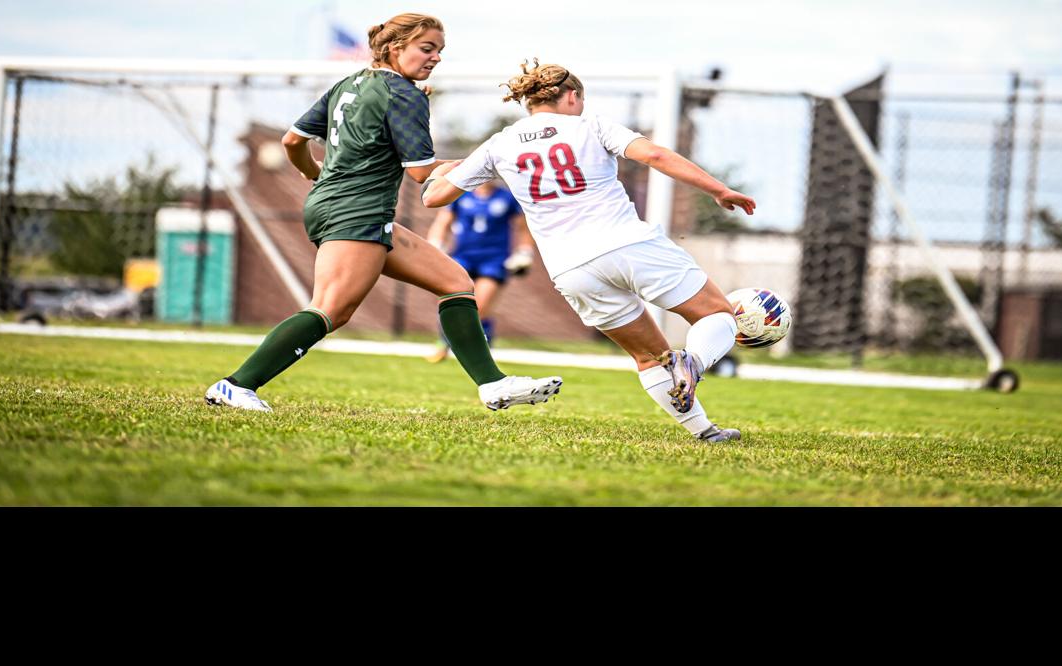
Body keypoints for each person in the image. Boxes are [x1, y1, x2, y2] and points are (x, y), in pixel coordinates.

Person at [204, 14, 560, 413]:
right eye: (427, 48)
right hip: (356, 211)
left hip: (349, 207)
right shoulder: (403, 94)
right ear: (396, 48)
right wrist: (488, 162)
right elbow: (422, 172)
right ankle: (235, 385)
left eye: (440, 51)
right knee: (330, 308)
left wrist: (313, 174)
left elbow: (292, 141)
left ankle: (492, 384)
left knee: (455, 282)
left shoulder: (349, 84)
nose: (436, 58)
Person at [421, 60, 754, 443]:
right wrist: (718, 189)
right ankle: (692, 363)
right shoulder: (591, 124)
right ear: (573, 96)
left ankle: (706, 432)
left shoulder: (500, 144)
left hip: (570, 269)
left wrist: (460, 167)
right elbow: (655, 156)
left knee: (648, 357)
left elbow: (433, 197)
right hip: (627, 244)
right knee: (717, 313)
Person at [422, 179, 537, 364]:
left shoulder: (507, 198)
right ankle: (444, 343)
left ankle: (482, 348)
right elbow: (442, 223)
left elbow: (523, 229)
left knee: (481, 307)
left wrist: (525, 252)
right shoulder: (460, 196)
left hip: (494, 260)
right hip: (462, 257)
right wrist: (435, 245)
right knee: (452, 301)